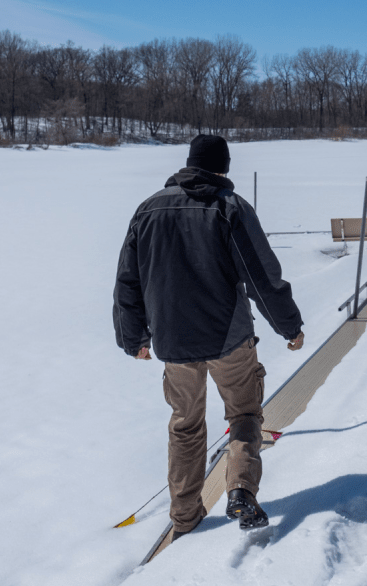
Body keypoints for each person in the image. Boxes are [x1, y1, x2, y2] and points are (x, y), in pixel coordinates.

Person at [113, 134, 306, 540]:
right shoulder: (229, 207)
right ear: (224, 167)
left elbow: (128, 281)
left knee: (185, 427)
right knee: (245, 415)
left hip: (174, 343)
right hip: (228, 339)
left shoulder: (148, 209)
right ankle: (240, 489)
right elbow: (262, 276)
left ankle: (185, 519)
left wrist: (135, 338)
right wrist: (289, 327)